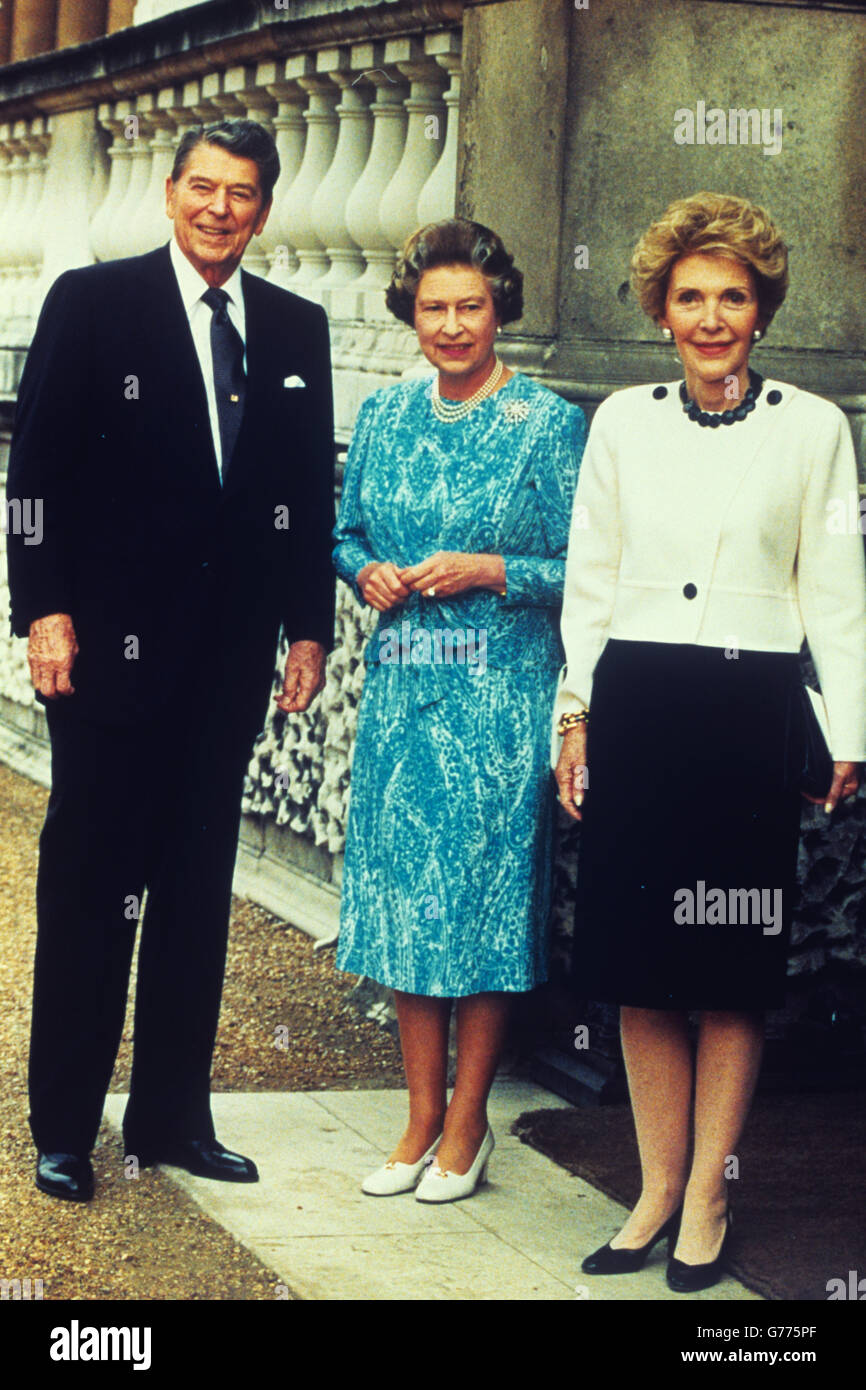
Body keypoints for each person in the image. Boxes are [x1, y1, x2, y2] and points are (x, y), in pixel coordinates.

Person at [5, 119, 336, 1201]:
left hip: (227, 659)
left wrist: (306, 626)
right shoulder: (93, 305)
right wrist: (43, 610)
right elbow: (37, 472)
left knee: (196, 890)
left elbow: (300, 497)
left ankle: (172, 1119)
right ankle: (64, 1124)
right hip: (105, 655)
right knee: (95, 885)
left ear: (265, 209)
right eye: (202, 186)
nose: (219, 208)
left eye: (241, 193)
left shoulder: (295, 327)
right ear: (168, 193)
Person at [553, 191, 866, 1291]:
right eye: (688, 295)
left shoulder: (813, 427)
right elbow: (588, 582)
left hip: (748, 713)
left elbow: (835, 593)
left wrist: (848, 730)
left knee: (727, 970)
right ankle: (649, 1187)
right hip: (638, 703)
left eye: (730, 295)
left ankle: (707, 1193)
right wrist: (574, 714)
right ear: (660, 308)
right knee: (641, 971)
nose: (709, 316)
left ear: (761, 306)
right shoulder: (620, 423)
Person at [332, 218, 586, 1202]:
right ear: (411, 311)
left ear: (498, 308)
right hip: (404, 685)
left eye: (468, 307)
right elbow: (342, 530)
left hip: (500, 688)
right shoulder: (386, 416)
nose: (450, 325)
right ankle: (414, 1115)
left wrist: (491, 568)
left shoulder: (548, 425)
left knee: (478, 901)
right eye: (433, 307)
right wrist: (367, 572)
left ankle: (468, 1121)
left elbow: (586, 568)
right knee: (402, 894)